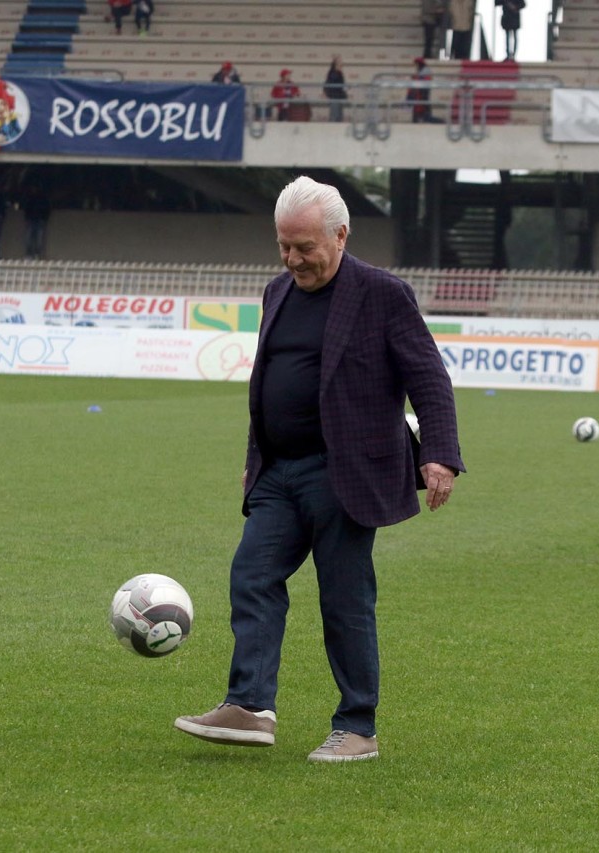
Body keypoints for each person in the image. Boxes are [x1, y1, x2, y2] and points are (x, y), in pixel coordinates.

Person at [174, 176, 464, 763]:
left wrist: (439, 452)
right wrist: (256, 457)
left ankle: (357, 727)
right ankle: (250, 707)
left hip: (347, 471)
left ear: (341, 235)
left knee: (344, 599)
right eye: (284, 245)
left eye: (305, 247)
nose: (293, 259)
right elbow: (271, 384)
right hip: (279, 472)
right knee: (251, 576)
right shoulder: (276, 291)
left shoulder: (382, 293)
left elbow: (428, 376)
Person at [22, 186, 51, 259]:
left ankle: (36, 254)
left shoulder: (42, 199)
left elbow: (47, 208)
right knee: (29, 238)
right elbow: (27, 208)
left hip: (39, 220)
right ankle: (29, 254)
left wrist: (44, 218)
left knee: (38, 239)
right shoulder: (31, 198)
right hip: (32, 220)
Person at [408, 57, 439, 123]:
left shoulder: (425, 70)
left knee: (424, 109)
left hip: (423, 92)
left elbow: (424, 81)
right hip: (419, 93)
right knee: (419, 109)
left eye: (416, 64)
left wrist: (415, 78)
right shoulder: (421, 70)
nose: (416, 66)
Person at [323, 56, 348, 122]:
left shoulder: (339, 73)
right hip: (334, 96)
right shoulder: (333, 73)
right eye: (339, 63)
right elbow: (330, 84)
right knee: (334, 116)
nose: (341, 65)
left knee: (339, 116)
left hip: (339, 97)